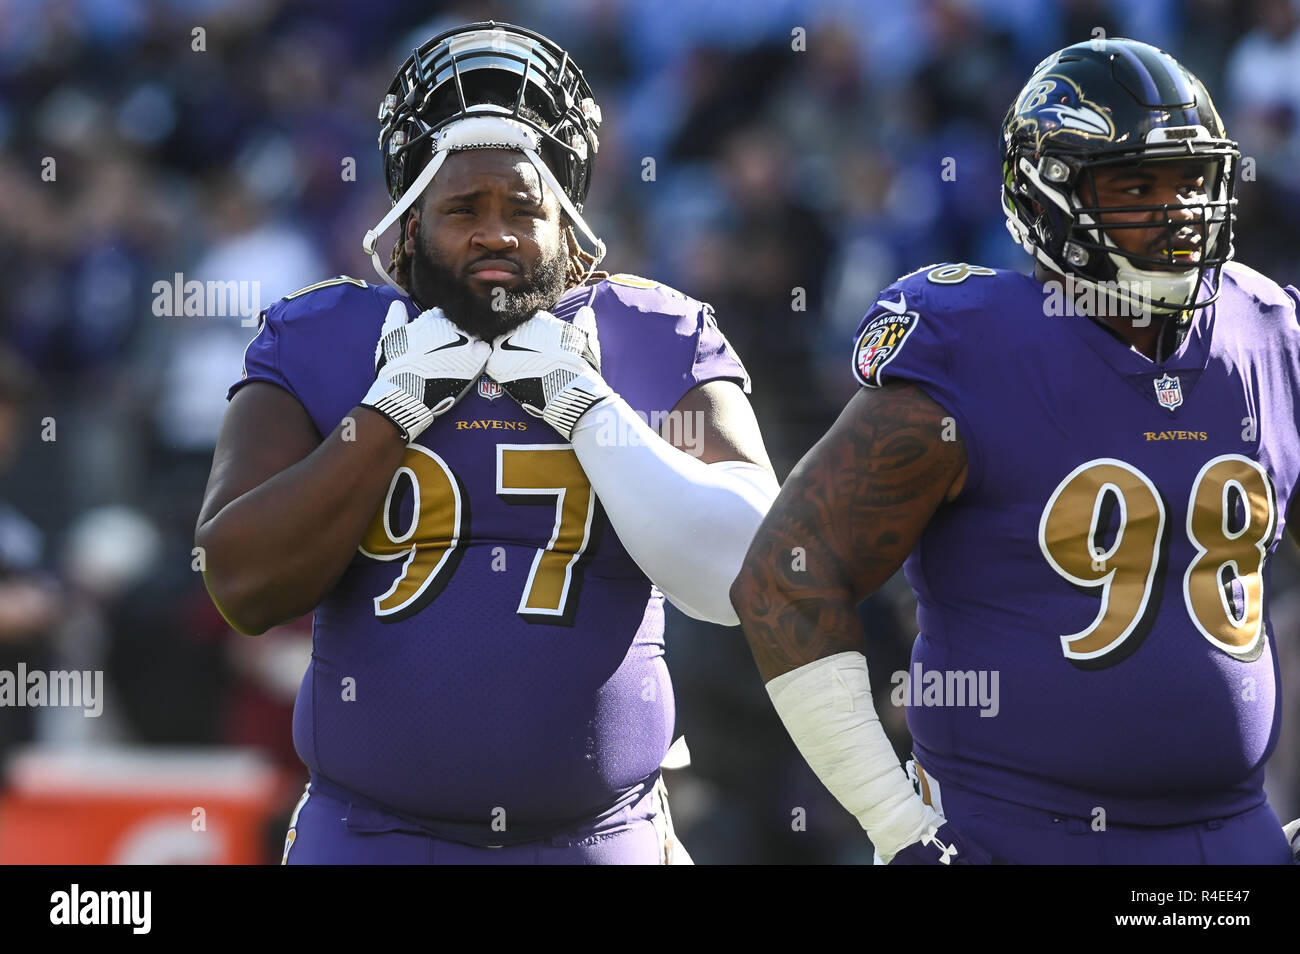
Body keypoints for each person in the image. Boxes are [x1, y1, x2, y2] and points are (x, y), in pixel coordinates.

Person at [196, 21, 778, 865]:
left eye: (523, 208)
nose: (495, 233)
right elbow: (239, 583)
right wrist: (387, 413)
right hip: (369, 835)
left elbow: (745, 579)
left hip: (599, 837)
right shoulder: (321, 336)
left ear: (571, 220)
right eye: (463, 208)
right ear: (406, 222)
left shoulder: (654, 333)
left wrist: (588, 407)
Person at [731, 38, 1300, 864]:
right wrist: (896, 826)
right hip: (1020, 835)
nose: (1175, 209)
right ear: (1050, 195)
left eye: (1190, 180)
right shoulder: (976, 347)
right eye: (1135, 184)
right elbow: (787, 574)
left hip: (1233, 838)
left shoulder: (1268, 333)